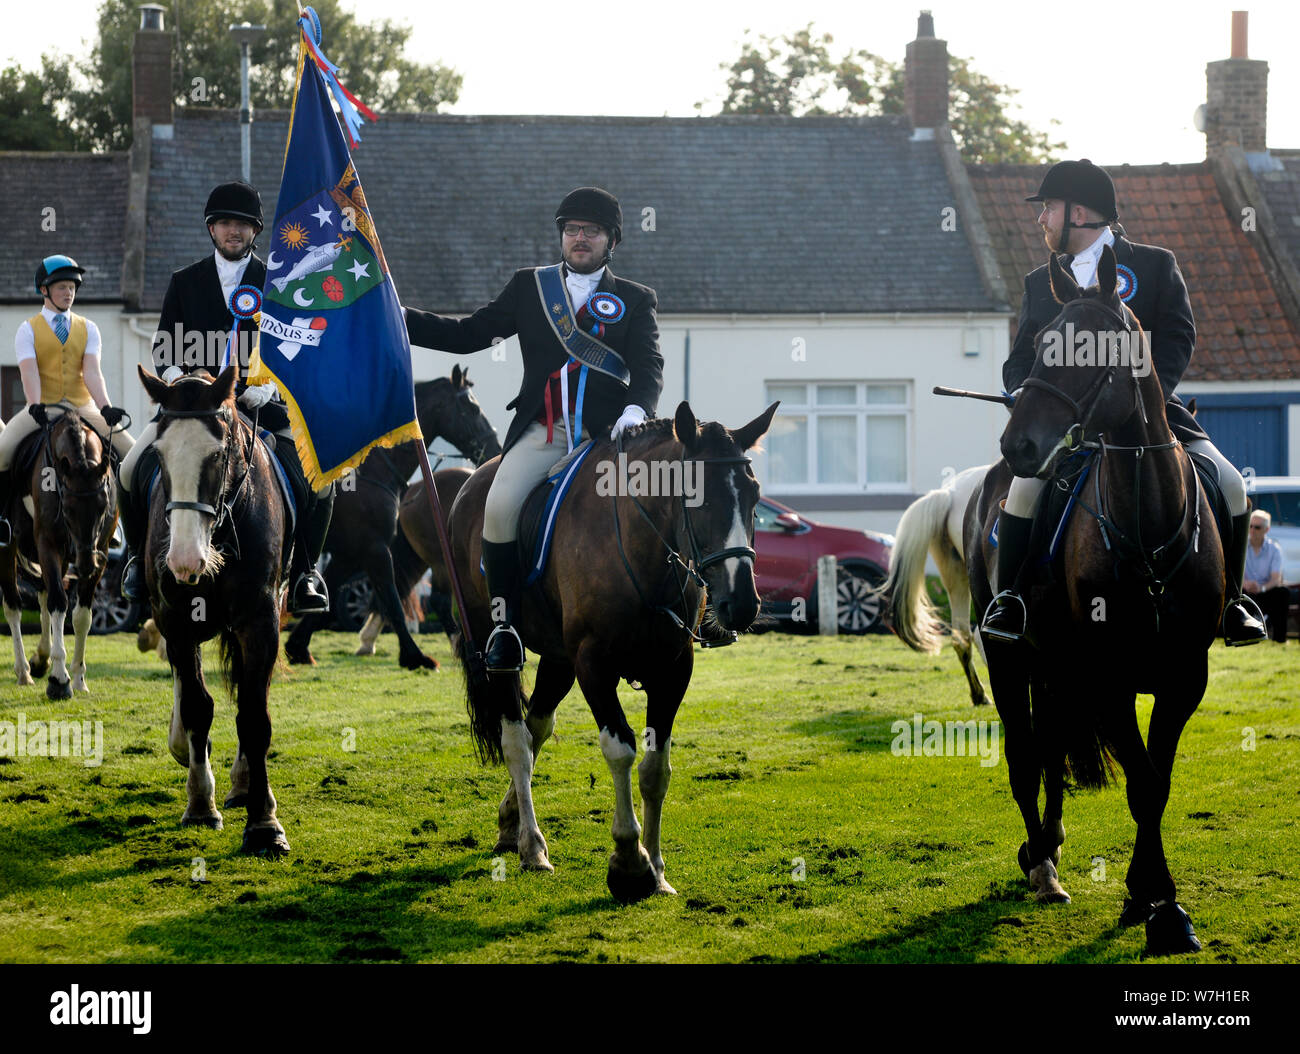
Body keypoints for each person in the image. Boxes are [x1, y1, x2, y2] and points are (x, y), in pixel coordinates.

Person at [984, 158, 1267, 646]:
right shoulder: (1039, 283)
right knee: (1023, 493)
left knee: (1231, 485)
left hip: (1151, 419)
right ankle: (1012, 601)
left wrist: (1149, 397)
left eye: (1048, 208)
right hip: (1069, 426)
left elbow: (1178, 336)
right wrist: (1026, 396)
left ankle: (1234, 603)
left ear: (1078, 213)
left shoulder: (1155, 264)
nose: (1041, 219)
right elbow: (1021, 359)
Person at [404, 187, 663, 671]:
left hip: (609, 436)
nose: (579, 238)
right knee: (499, 508)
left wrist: (637, 410)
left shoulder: (635, 299)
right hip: (546, 432)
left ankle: (673, 613)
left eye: (591, 231)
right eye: (571, 230)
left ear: (612, 241)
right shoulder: (531, 287)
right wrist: (399, 318)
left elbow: (648, 366)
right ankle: (504, 627)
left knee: (660, 507)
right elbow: (468, 336)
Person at [117, 181, 333, 614]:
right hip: (190, 410)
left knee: (320, 474)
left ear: (254, 231)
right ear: (212, 230)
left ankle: (307, 571)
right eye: (225, 223)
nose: (233, 231)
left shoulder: (277, 282)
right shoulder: (185, 282)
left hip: (259, 405)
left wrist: (271, 386)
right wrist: (182, 384)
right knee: (128, 468)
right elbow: (164, 347)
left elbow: (295, 345)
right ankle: (137, 562)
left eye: (242, 225)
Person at [0, 255, 134, 546]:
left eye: (72, 287)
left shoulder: (89, 328)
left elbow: (92, 372)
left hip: (82, 406)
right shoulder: (28, 329)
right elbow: (29, 372)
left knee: (134, 455)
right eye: (61, 287)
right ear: (44, 290)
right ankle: (3, 521)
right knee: (1, 451)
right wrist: (34, 402)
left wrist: (105, 406)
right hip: (42, 407)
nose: (68, 292)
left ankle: (122, 527)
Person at [1244, 509, 1289, 643]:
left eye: (1257, 527)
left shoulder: (1274, 549)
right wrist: (1245, 584)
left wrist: (1262, 588)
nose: (1252, 530)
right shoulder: (1241, 546)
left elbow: (1276, 579)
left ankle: (1279, 640)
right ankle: (1235, 634)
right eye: (1250, 526)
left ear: (1266, 529)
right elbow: (1233, 574)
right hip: (1244, 591)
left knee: (1283, 593)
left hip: (1265, 591)